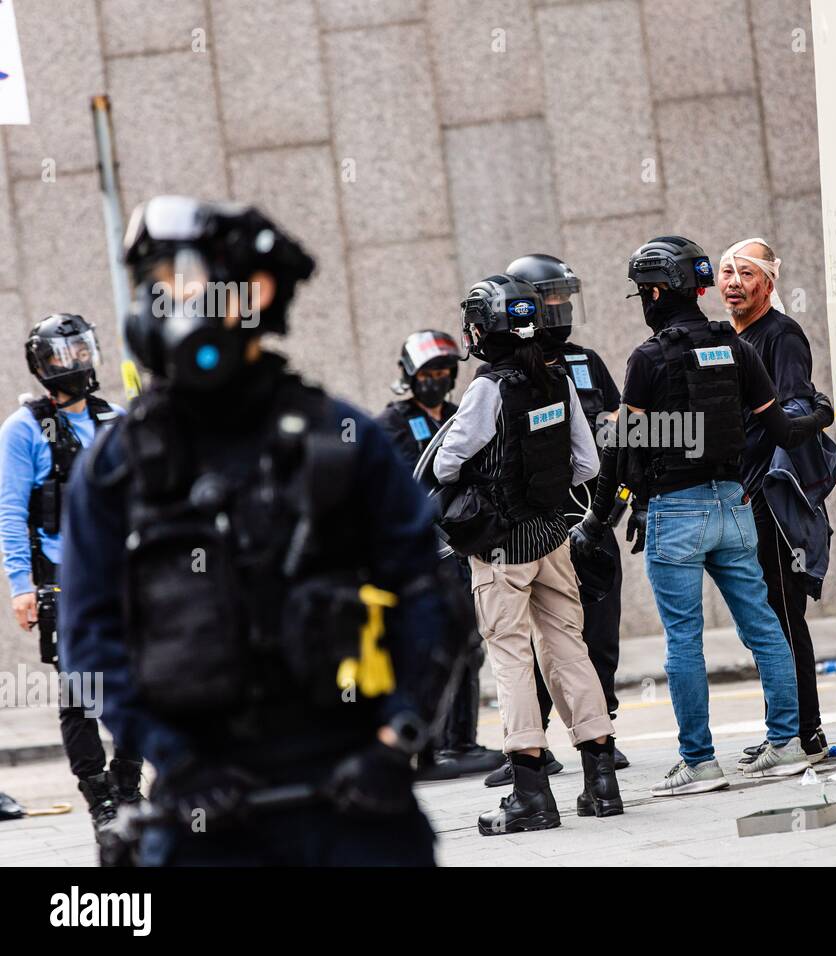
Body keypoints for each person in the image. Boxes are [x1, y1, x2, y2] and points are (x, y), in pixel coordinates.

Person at [60, 196, 465, 866]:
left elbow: (431, 595)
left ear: (255, 292)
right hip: (202, 815)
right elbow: (87, 647)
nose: (162, 302)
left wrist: (397, 741)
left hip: (353, 802)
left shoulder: (341, 437)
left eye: (179, 279)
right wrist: (177, 762)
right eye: (151, 286)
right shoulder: (116, 467)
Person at [570, 235, 835, 795]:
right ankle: (787, 744)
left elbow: (623, 449)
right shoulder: (734, 347)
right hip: (734, 504)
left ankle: (699, 761)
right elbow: (786, 430)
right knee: (764, 626)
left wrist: (599, 519)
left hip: (677, 511)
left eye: (643, 292)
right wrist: (821, 413)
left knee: (684, 640)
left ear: (657, 293)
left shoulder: (648, 358)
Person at [433, 273, 622, 835]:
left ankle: (531, 794)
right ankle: (602, 782)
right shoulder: (557, 378)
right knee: (569, 650)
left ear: (484, 330)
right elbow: (587, 465)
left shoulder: (487, 388)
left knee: (512, 657)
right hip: (553, 538)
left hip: (500, 549)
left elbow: (446, 462)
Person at [475, 252, 628, 789]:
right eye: (552, 301)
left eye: (566, 300)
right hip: (538, 526)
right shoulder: (508, 375)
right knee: (539, 639)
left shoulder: (585, 363)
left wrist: (614, 508)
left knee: (592, 636)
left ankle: (599, 738)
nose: (561, 311)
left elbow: (620, 438)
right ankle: (542, 747)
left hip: (589, 521)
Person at [0, 313, 138, 845]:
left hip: (122, 575)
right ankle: (100, 799)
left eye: (82, 349)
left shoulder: (116, 420)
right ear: (41, 366)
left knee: (138, 684)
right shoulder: (23, 429)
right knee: (82, 693)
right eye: (63, 354)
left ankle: (129, 788)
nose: (76, 361)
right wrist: (21, 585)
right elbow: (11, 511)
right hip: (63, 580)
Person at [717, 238, 836, 768]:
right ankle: (783, 727)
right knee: (764, 619)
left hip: (771, 496)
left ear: (768, 283)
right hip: (740, 494)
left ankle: (805, 734)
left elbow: (792, 409)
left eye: (746, 273)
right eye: (727, 272)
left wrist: (762, 474)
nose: (733, 283)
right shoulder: (727, 338)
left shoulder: (781, 334)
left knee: (785, 615)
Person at [376, 329, 506, 782]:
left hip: (462, 545)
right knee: (430, 646)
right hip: (420, 552)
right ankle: (430, 745)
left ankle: (462, 741)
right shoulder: (391, 422)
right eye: (427, 372)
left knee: (470, 645)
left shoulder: (459, 414)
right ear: (410, 375)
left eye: (443, 371)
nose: (435, 379)